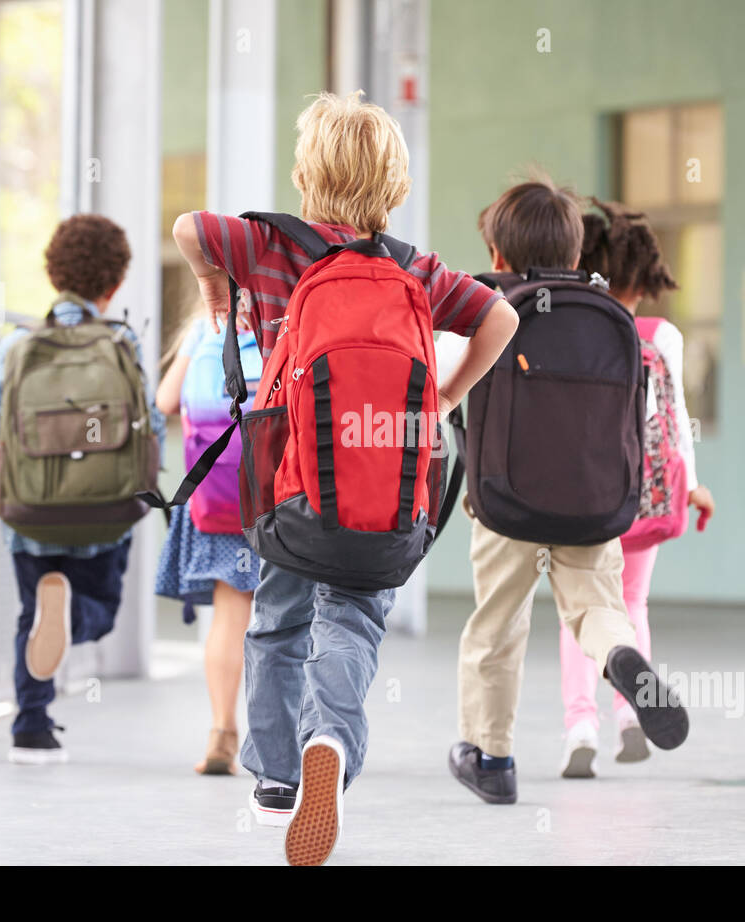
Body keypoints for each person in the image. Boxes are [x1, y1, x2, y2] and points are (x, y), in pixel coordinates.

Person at [170, 91, 518, 863]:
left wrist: (214, 289)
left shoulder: (262, 246)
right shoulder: (414, 270)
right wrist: (445, 398)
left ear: (305, 175)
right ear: (393, 188)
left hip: (290, 488)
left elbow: (188, 228)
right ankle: (329, 737)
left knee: (278, 619)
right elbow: (502, 318)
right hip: (387, 492)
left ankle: (274, 779)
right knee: (354, 620)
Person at [449, 179, 689, 808]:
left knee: (496, 628)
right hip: (592, 502)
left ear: (498, 255)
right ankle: (619, 655)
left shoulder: (491, 307)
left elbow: (447, 388)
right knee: (595, 608)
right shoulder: (607, 314)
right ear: (577, 252)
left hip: (506, 503)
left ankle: (491, 757)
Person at [0, 214, 165, 765]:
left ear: (53, 275)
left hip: (32, 510)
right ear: (114, 282)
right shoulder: (122, 342)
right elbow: (153, 428)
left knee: (31, 614)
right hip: (106, 509)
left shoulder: (19, 346)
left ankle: (31, 728)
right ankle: (72, 619)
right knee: (100, 608)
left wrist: (21, 439)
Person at [557, 199, 716, 776]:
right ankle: (632, 715)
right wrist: (693, 486)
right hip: (645, 494)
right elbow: (675, 420)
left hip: (583, 493)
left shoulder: (577, 325)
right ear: (647, 277)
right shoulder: (663, 334)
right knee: (630, 603)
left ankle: (580, 725)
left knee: (578, 612)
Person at [154, 314, 261, 777]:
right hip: (281, 501)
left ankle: (222, 731)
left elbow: (164, 401)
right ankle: (298, 736)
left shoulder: (201, 332)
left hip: (218, 498)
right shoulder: (285, 321)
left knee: (229, 618)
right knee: (297, 618)